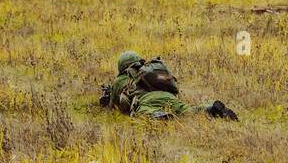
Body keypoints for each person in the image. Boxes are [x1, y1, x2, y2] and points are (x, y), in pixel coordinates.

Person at [99, 50, 238, 120]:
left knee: (143, 113)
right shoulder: (148, 71)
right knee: (188, 110)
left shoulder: (121, 79)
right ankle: (210, 108)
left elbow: (113, 105)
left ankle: (158, 115)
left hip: (146, 101)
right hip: (168, 96)